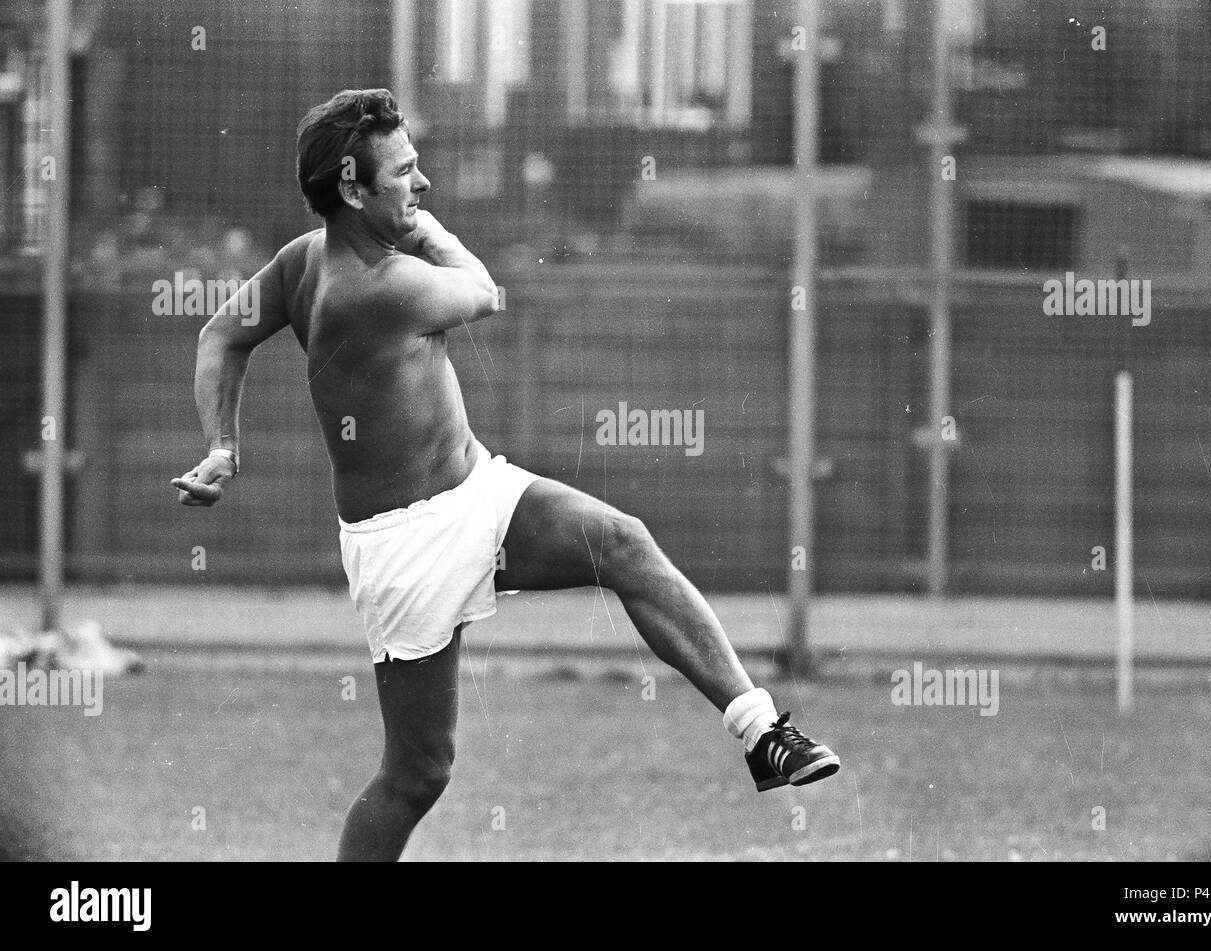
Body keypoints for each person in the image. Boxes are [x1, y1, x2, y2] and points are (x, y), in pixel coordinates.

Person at [171, 89, 839, 861]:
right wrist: (430, 230)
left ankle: (762, 733)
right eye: (405, 173)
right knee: (417, 773)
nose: (421, 187)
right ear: (352, 189)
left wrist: (223, 444)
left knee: (622, 542)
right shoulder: (381, 286)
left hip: (475, 492)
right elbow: (485, 290)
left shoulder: (304, 259)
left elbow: (222, 332)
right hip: (405, 547)